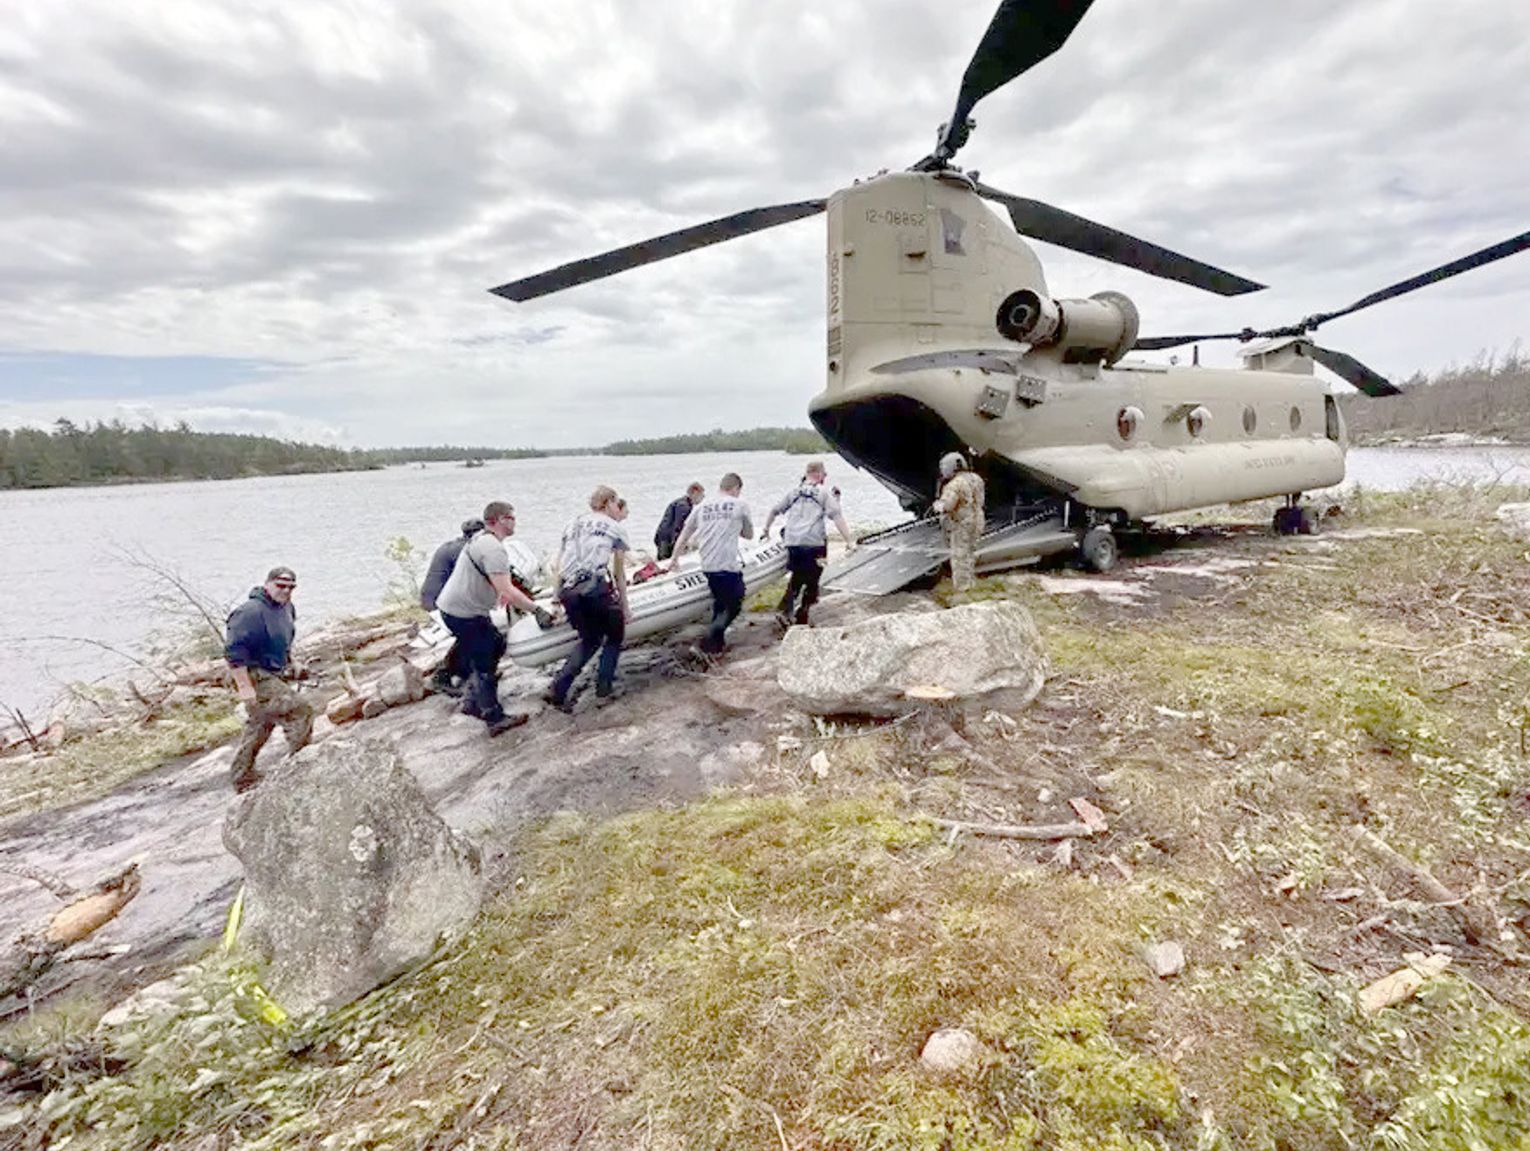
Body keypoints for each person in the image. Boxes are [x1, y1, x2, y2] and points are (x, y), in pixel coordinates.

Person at [437, 501, 554, 737]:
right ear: (497, 520)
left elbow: (502, 585)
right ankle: (493, 717)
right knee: (485, 659)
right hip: (463, 613)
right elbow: (507, 590)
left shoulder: (484, 540)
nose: (514, 522)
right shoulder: (493, 549)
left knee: (495, 643)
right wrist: (537, 610)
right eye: (510, 518)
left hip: (458, 609)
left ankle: (471, 701)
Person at [225, 566, 314, 793]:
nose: (285, 591)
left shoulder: (286, 608)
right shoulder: (249, 612)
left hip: (272, 671)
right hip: (252, 673)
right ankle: (302, 766)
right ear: (268, 584)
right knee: (300, 709)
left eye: (290, 587)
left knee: (261, 723)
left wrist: (291, 663)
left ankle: (242, 776)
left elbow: (283, 641)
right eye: (280, 586)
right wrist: (245, 688)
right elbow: (234, 652)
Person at [548, 485, 631, 707]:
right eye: (616, 503)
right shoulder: (614, 527)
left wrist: (556, 599)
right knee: (614, 634)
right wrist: (625, 605)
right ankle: (604, 687)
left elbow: (559, 565)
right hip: (594, 589)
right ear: (608, 503)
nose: (617, 507)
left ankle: (559, 686)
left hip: (569, 591)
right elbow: (618, 571)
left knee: (590, 639)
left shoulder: (571, 524)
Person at [763, 460, 854, 627]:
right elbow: (836, 516)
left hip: (793, 542)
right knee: (814, 576)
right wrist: (849, 541)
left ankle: (785, 609)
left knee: (797, 575)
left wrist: (766, 530)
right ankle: (802, 612)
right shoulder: (823, 493)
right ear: (819, 474)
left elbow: (774, 510)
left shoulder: (794, 492)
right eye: (824, 475)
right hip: (814, 543)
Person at [670, 473, 754, 654]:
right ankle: (705, 642)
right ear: (736, 488)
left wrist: (674, 559)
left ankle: (716, 646)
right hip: (727, 565)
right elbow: (748, 535)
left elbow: (684, 534)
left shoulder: (701, 506)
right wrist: (734, 527)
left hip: (708, 565)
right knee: (735, 603)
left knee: (720, 603)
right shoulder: (740, 505)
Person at [420, 517, 485, 696]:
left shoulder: (450, 546)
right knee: (471, 634)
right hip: (440, 603)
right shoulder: (466, 550)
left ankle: (470, 672)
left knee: (471, 633)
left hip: (430, 598)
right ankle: (442, 677)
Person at [932, 451, 986, 591]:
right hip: (978, 520)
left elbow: (948, 506)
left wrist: (937, 506)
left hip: (962, 523)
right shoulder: (976, 479)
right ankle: (971, 583)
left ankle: (962, 588)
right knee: (971, 553)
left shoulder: (954, 485)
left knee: (959, 556)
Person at [654, 482, 704, 560]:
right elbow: (678, 527)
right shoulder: (684, 506)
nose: (702, 498)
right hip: (667, 540)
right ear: (695, 493)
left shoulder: (681, 502)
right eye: (702, 495)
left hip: (663, 537)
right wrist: (681, 544)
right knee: (667, 563)